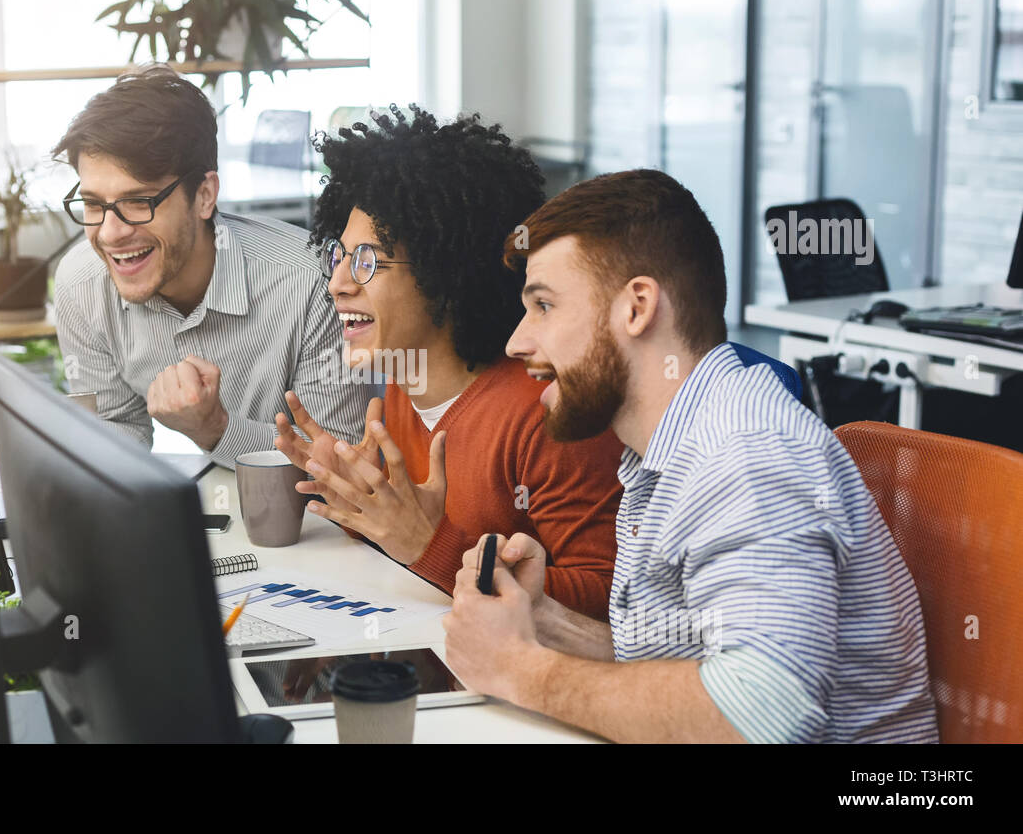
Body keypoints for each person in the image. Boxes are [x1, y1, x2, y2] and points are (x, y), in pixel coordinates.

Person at [443, 169, 938, 743]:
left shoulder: (746, 454)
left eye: (545, 306)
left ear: (636, 308)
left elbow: (761, 714)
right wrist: (543, 623)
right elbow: (694, 668)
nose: (517, 342)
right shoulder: (673, 448)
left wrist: (519, 670)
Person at [273, 107, 623, 618]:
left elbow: (610, 605)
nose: (338, 284)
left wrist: (429, 544)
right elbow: (415, 563)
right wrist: (362, 503)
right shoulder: (402, 383)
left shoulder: (547, 414)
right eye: (339, 257)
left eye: (367, 260)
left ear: (446, 272)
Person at [50, 64, 367, 466]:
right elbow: (115, 427)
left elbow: (342, 460)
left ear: (204, 195)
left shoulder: (311, 282)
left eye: (138, 203)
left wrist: (216, 428)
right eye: (94, 204)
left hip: (313, 525)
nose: (111, 234)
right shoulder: (81, 282)